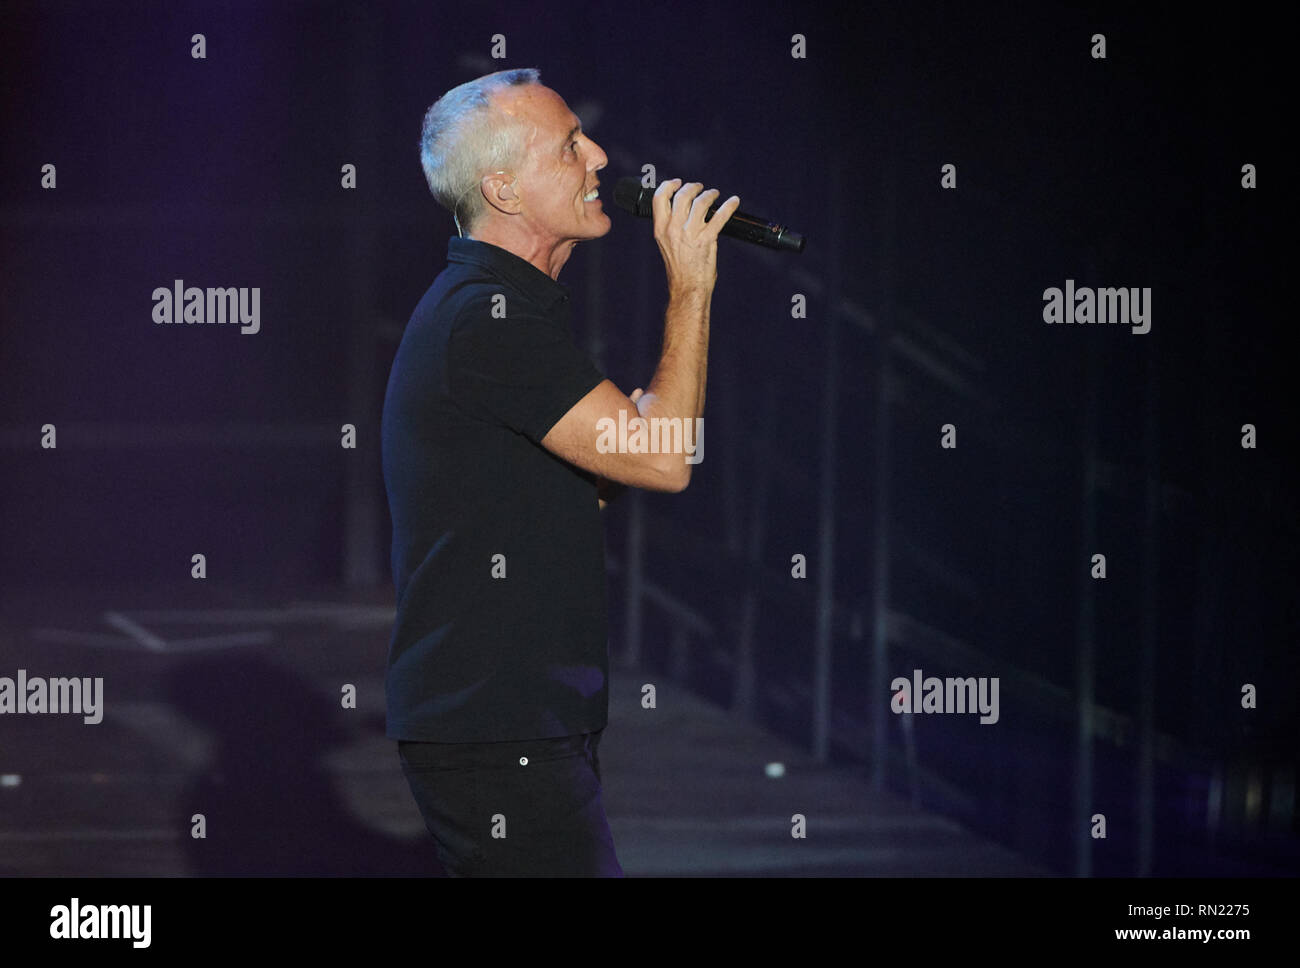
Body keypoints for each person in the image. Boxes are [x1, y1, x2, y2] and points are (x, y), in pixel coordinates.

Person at [381, 67, 739, 876]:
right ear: (503, 190)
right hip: (496, 723)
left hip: (516, 719)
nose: (600, 156)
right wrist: (692, 285)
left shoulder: (499, 311)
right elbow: (664, 462)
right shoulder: (485, 320)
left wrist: (637, 430)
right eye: (571, 145)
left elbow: (600, 474)